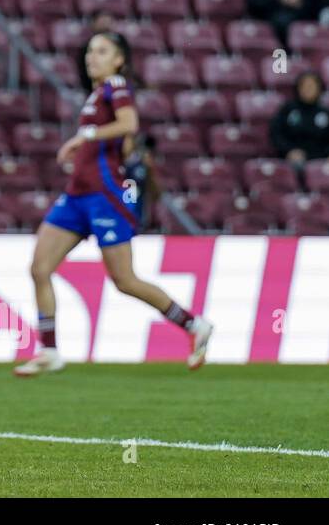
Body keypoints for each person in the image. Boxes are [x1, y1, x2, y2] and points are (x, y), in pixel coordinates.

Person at [15, 32, 214, 376]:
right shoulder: (96, 95)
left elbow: (129, 124)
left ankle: (194, 325)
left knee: (124, 280)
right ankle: (49, 350)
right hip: (76, 196)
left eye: (102, 51)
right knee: (39, 268)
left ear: (119, 59)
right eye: (90, 51)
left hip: (104, 197)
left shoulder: (116, 85)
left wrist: (85, 136)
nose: (92, 57)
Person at [269, 71, 329, 170]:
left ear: (319, 89)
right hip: (294, 158)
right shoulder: (288, 110)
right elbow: (276, 134)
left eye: (311, 86)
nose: (307, 89)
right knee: (297, 165)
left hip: (321, 159)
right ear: (298, 88)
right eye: (304, 86)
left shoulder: (326, 113)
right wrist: (289, 151)